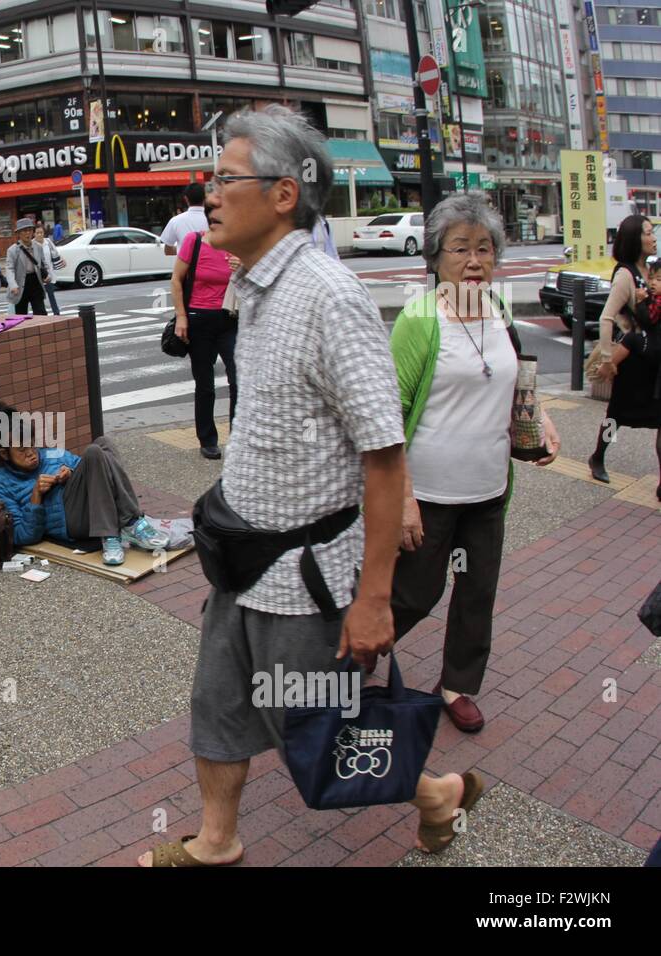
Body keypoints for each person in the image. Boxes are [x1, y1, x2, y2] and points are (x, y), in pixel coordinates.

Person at [140, 105, 483, 867]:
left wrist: (373, 598)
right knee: (219, 706)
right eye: (210, 180)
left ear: (284, 193)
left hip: (307, 579)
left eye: (226, 179)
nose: (209, 195)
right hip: (239, 560)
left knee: (319, 736)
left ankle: (438, 795)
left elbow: (385, 456)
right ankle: (217, 840)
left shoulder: (330, 295)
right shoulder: (251, 285)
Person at [389, 191, 562, 734]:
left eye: (484, 249)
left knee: (476, 591)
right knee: (414, 593)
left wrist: (541, 421)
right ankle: (353, 650)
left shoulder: (499, 312)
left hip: (487, 490)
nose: (473, 260)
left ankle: (458, 685)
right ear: (436, 256)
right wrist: (402, 496)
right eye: (460, 248)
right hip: (429, 493)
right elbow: (388, 415)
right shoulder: (419, 319)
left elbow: (514, 385)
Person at [0, 402, 169, 566]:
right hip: (68, 523)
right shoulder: (0, 483)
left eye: (32, 444)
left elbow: (95, 469)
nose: (31, 453)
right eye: (22, 450)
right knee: (94, 451)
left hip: (91, 508)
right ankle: (128, 523)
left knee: (103, 444)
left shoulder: (52, 454)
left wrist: (71, 473)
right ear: (4, 453)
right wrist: (36, 497)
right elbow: (22, 535)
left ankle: (120, 529)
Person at [588, 214, 660, 488]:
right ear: (634, 239)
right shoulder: (625, 275)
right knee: (615, 416)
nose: (654, 238)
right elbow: (606, 318)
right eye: (648, 233)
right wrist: (608, 359)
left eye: (653, 232)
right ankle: (598, 456)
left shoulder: (651, 270)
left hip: (655, 358)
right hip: (634, 361)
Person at [171, 226, 238, 459]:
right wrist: (181, 316)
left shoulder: (238, 242)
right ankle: (207, 439)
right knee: (205, 384)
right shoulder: (195, 241)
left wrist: (244, 268)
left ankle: (238, 439)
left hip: (230, 319)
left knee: (238, 380)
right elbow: (176, 280)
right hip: (198, 320)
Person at [6, 218, 49, 316]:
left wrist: (47, 275)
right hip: (21, 283)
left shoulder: (38, 247)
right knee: (21, 315)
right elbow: (9, 269)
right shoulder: (12, 250)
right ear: (19, 233)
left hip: (36, 281)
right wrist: (13, 284)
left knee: (41, 312)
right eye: (24, 231)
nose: (28, 233)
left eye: (30, 230)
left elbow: (43, 263)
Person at [159, 183, 209, 256]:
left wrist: (184, 249)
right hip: (211, 262)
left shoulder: (175, 221)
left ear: (186, 198)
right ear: (205, 198)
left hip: (185, 262)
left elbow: (168, 251)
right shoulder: (214, 219)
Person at [33, 224, 62, 316]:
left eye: (41, 232)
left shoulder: (48, 242)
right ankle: (41, 314)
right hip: (38, 275)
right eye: (37, 233)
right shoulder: (32, 244)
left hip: (48, 274)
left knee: (51, 294)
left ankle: (56, 313)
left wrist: (61, 260)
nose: (39, 234)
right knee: (39, 297)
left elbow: (55, 253)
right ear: (34, 234)